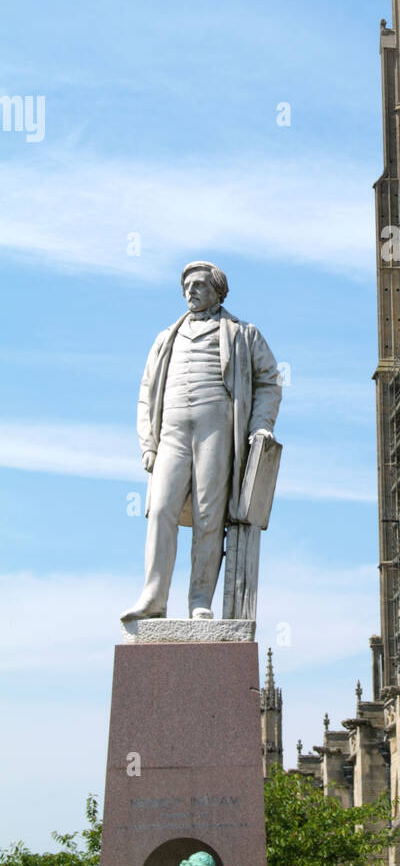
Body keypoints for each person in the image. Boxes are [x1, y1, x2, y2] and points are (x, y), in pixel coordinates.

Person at [122, 261, 281, 621]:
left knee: (210, 515)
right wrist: (148, 443)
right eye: (187, 285)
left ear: (218, 291)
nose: (190, 291)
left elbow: (270, 381)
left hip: (217, 430)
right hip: (172, 433)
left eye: (199, 285)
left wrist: (260, 426)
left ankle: (199, 600)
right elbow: (147, 394)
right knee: (161, 509)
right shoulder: (166, 338)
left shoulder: (243, 333)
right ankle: (153, 596)